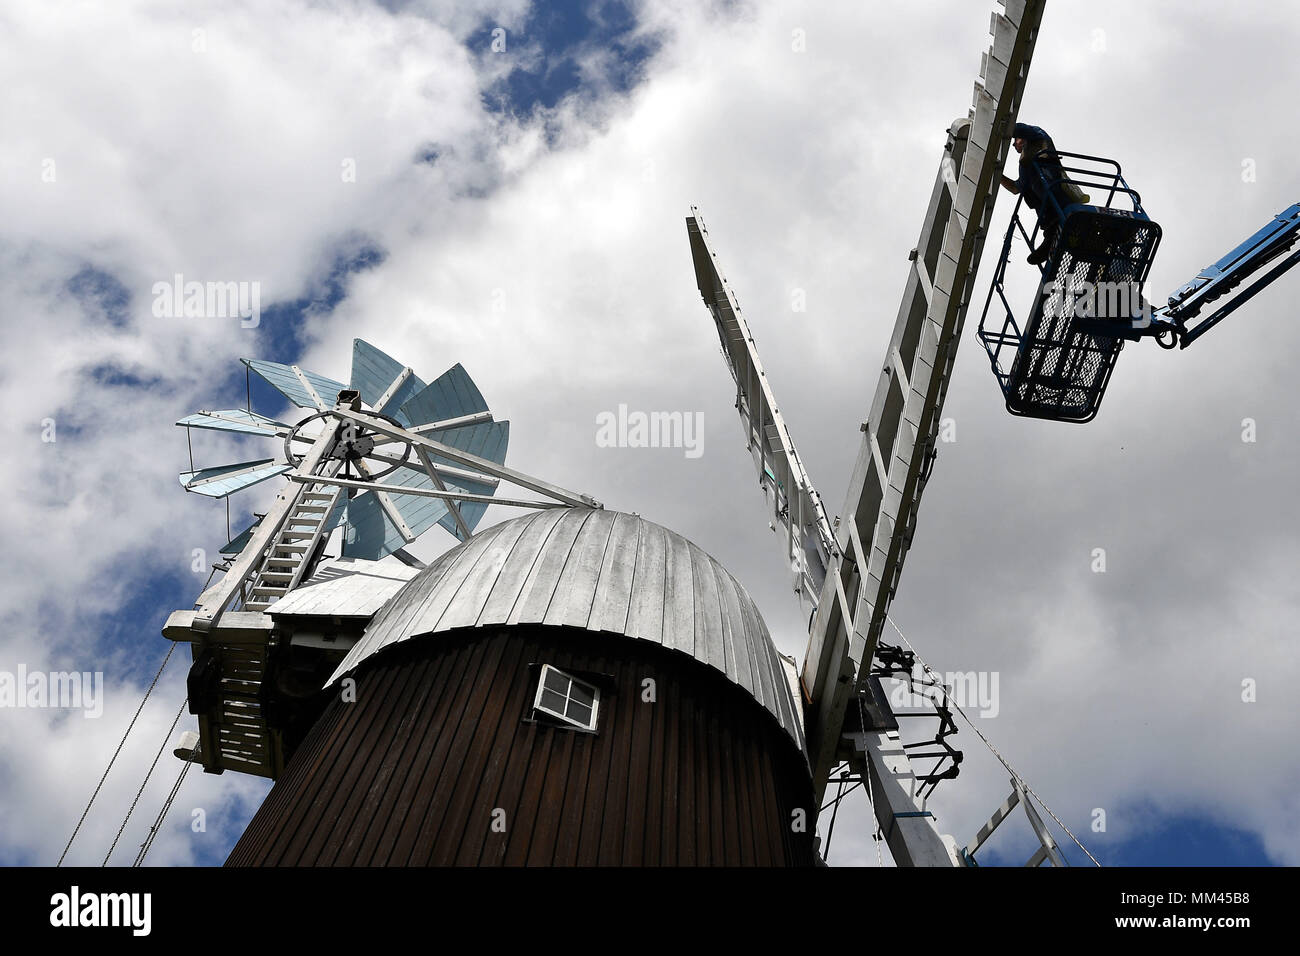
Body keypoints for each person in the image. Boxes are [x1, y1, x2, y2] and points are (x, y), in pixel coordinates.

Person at [999, 122, 1070, 265]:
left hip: (1057, 194)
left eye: (1015, 140)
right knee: (1028, 194)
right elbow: (1016, 188)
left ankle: (1053, 231)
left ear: (1023, 137)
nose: (1013, 145)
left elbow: (1019, 128)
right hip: (1048, 209)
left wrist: (1000, 128)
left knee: (1037, 189)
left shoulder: (1037, 136)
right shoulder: (1025, 166)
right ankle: (1051, 235)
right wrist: (997, 175)